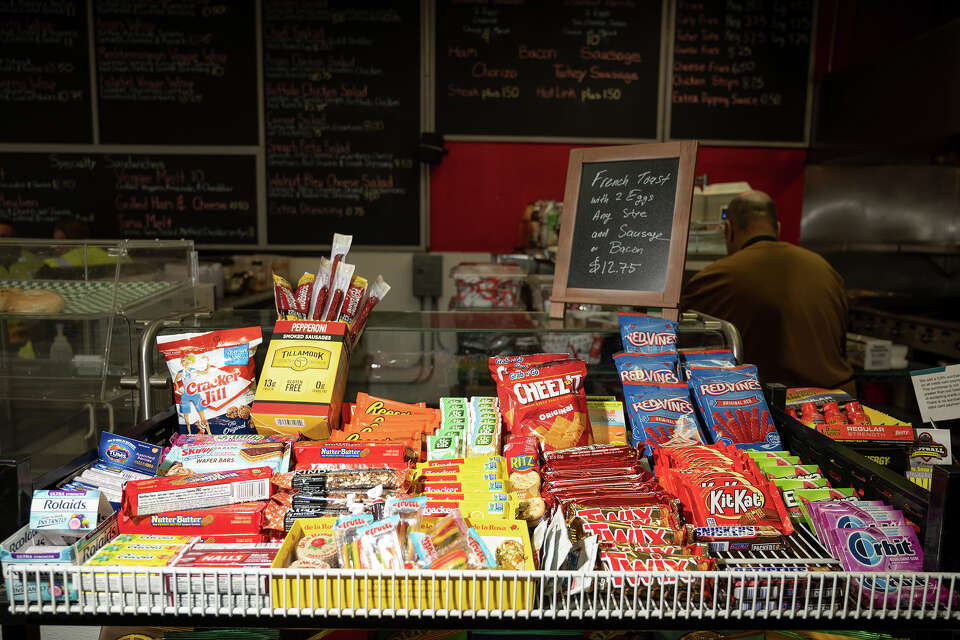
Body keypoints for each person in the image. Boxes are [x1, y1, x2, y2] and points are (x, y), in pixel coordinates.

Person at [680, 190, 854, 393]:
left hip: (770, 405)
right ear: (777, 228)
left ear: (729, 229)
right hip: (839, 402)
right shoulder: (825, 269)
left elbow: (686, 343)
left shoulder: (717, 276)